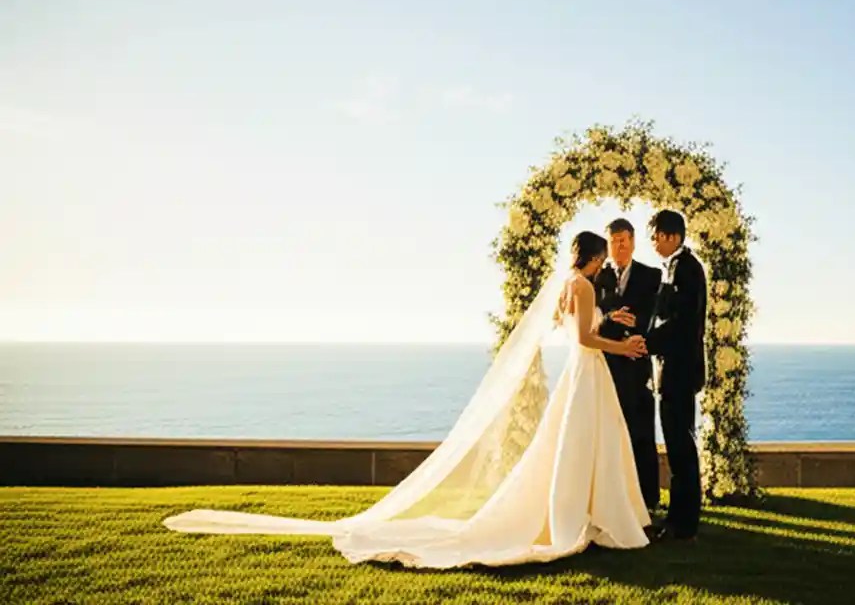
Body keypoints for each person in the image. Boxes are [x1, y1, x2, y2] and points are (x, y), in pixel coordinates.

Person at [163, 232, 653, 569]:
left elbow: (576, 328)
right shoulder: (584, 284)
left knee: (578, 446)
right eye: (602, 256)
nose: (605, 262)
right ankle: (591, 516)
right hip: (588, 371)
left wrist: (611, 320)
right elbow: (587, 341)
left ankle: (583, 513)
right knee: (589, 445)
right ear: (591, 258)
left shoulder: (570, 286)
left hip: (582, 375)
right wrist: (623, 344)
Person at [645, 210, 707, 542]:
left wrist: (646, 342)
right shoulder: (675, 267)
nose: (652, 242)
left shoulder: (688, 269)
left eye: (654, 236)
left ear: (671, 236)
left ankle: (684, 525)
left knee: (681, 446)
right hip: (670, 370)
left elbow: (683, 323)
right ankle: (677, 519)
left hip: (679, 371)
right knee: (676, 445)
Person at [594, 218, 662, 512]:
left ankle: (648, 500)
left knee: (641, 433)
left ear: (633, 241)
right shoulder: (597, 276)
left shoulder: (651, 275)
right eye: (613, 241)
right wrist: (612, 323)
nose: (618, 246)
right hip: (606, 366)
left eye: (623, 240)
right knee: (608, 434)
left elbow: (645, 318)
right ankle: (612, 498)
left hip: (636, 365)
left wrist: (631, 330)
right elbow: (592, 322)